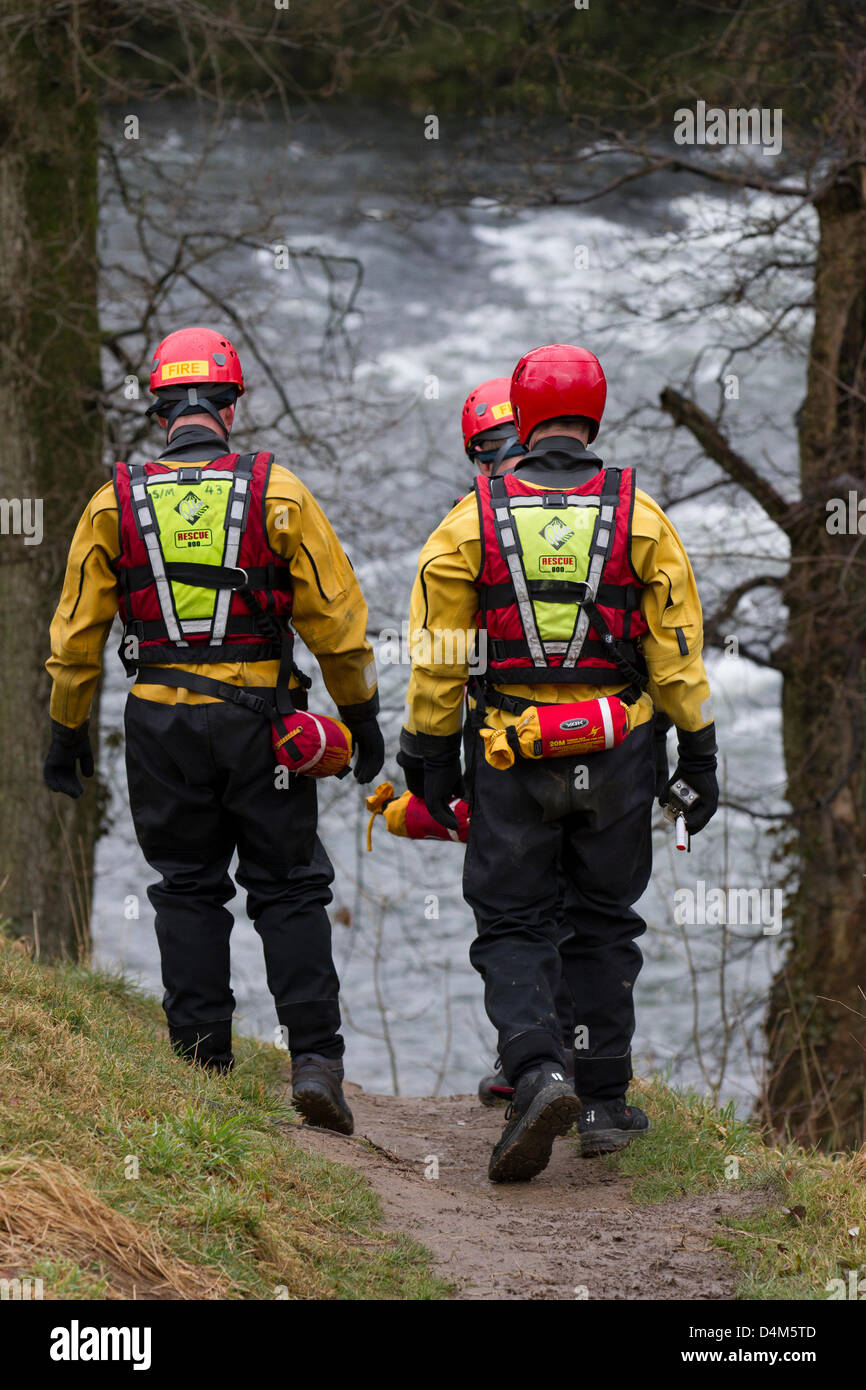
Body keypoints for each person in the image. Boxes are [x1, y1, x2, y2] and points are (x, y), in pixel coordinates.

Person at [43, 326, 384, 1135]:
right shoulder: (279, 493)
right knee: (290, 886)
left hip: (160, 723)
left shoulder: (112, 503)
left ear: (159, 407)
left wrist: (67, 736)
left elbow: (74, 640)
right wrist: (363, 720)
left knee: (188, 889)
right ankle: (315, 1064)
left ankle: (201, 1068)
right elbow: (339, 624)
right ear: (231, 403)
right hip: (264, 726)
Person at [401, 344, 718, 1182]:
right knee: (607, 920)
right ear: (597, 413)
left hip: (512, 755)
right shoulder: (640, 516)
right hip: (619, 754)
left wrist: (428, 753)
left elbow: (438, 649)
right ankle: (606, 1102)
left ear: (522, 414)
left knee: (512, 922)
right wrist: (701, 747)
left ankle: (537, 1071)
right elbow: (678, 644)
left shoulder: (472, 518)